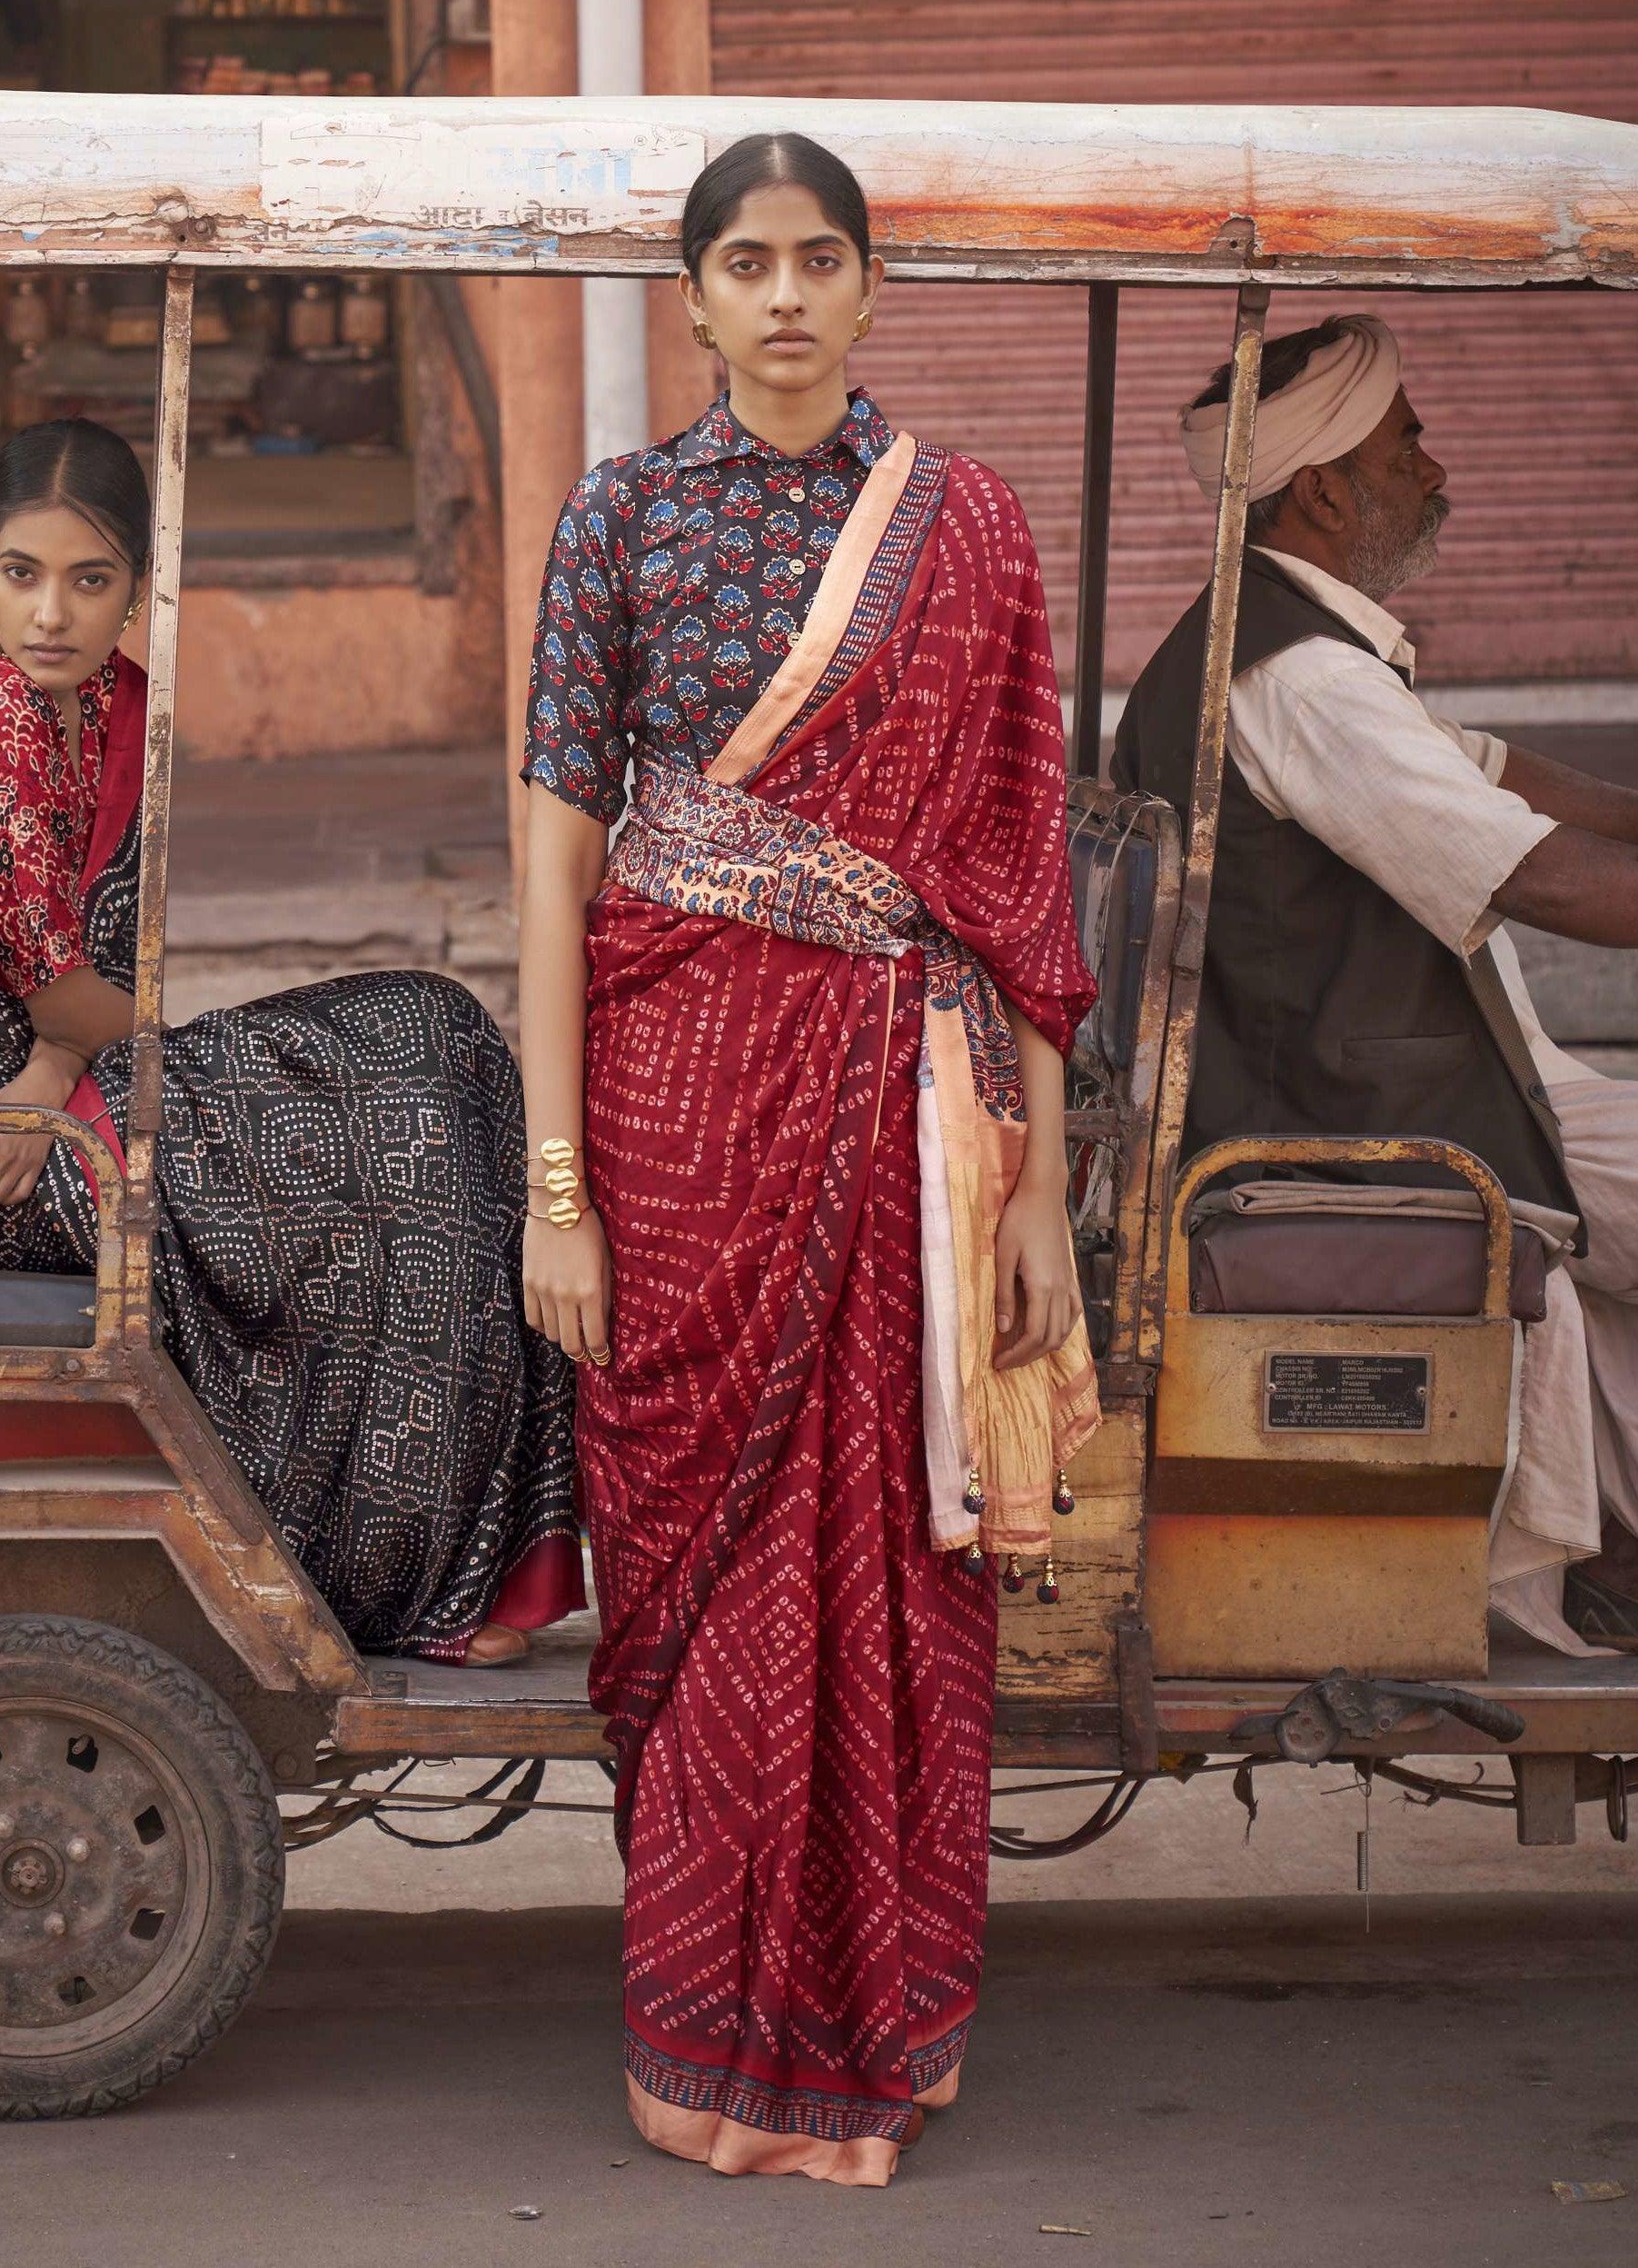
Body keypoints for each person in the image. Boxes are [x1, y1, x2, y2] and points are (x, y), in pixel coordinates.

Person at [518, 134, 1098, 2183]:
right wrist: (553, 1183)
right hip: (677, 1136)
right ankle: (704, 2034)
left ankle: (875, 2020)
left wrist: (1032, 1182)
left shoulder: (969, 531)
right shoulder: (615, 523)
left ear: (868, 289)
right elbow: (557, 861)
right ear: (687, 299)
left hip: (902, 1130)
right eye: (742, 262)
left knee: (890, 1570)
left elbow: (1018, 866)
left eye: (817, 260)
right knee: (694, 1573)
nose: (780, 294)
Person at [0, 418, 581, 1664]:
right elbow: (68, 990)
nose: (51, 610)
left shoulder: (102, 701)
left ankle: (488, 1556)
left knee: (435, 1033)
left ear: (136, 588)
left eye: (89, 578)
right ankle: (394, 1574)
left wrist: (67, 1056)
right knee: (384, 1131)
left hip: (54, 1089)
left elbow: (89, 985)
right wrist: (68, 1054)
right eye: (21, 572)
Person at [1112, 313, 1638, 1653]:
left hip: (1431, 1077)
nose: (1435, 465)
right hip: (1372, 1116)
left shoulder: (1295, 653)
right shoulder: (1299, 679)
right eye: (1408, 440)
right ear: (1328, 489)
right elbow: (1538, 872)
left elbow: (1496, 769)